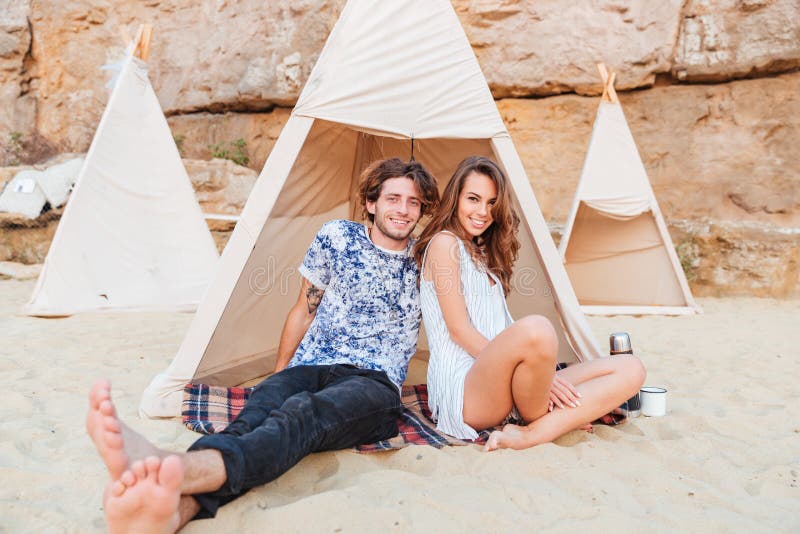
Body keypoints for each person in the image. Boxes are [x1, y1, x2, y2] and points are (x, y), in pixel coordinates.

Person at [87, 157, 439, 532]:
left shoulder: (427, 257)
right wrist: (280, 375)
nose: (403, 210)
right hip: (312, 365)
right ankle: (178, 511)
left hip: (372, 382)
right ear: (372, 203)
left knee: (302, 412)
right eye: (393, 198)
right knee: (258, 415)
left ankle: (179, 467)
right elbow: (304, 308)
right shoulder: (338, 236)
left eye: (413, 202)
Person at [413, 156, 645, 451]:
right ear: (455, 198)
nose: (482, 212)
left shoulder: (479, 252)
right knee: (537, 328)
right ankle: (536, 431)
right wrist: (545, 378)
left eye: (491, 203)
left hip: (506, 381)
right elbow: (459, 331)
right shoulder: (444, 244)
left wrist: (541, 379)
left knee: (631, 368)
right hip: (467, 389)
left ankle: (543, 422)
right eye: (473, 199)